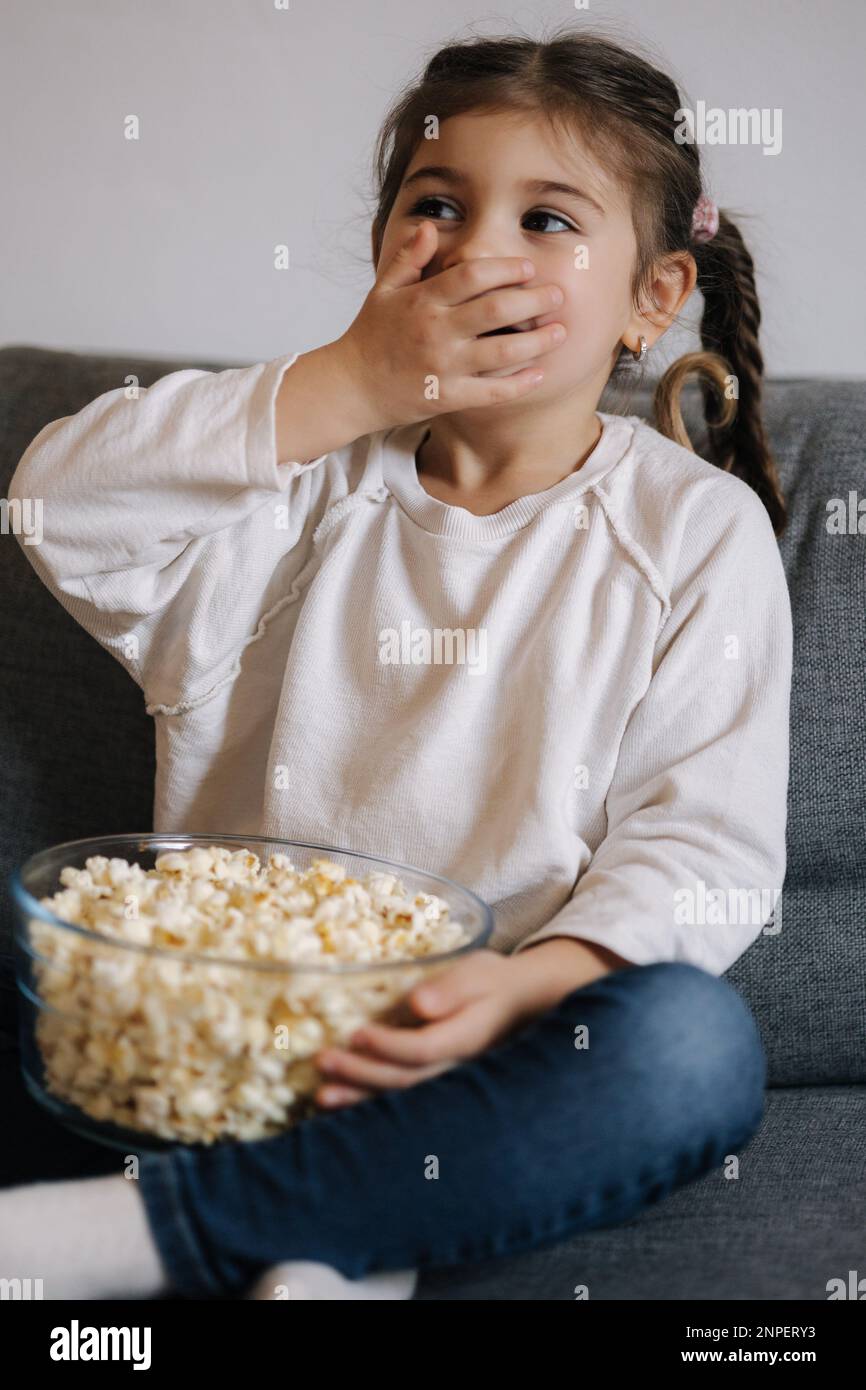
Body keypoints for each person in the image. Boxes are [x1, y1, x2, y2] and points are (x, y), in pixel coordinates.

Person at [2, 27, 791, 1300]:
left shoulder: (690, 532)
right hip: (216, 1031)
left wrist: (516, 991)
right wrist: (346, 384)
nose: (479, 249)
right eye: (436, 206)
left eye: (545, 218)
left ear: (652, 300)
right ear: (383, 258)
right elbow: (56, 510)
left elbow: (703, 854)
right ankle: (325, 1246)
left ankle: (164, 1239)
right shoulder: (281, 488)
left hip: (484, 1061)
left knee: (692, 1048)